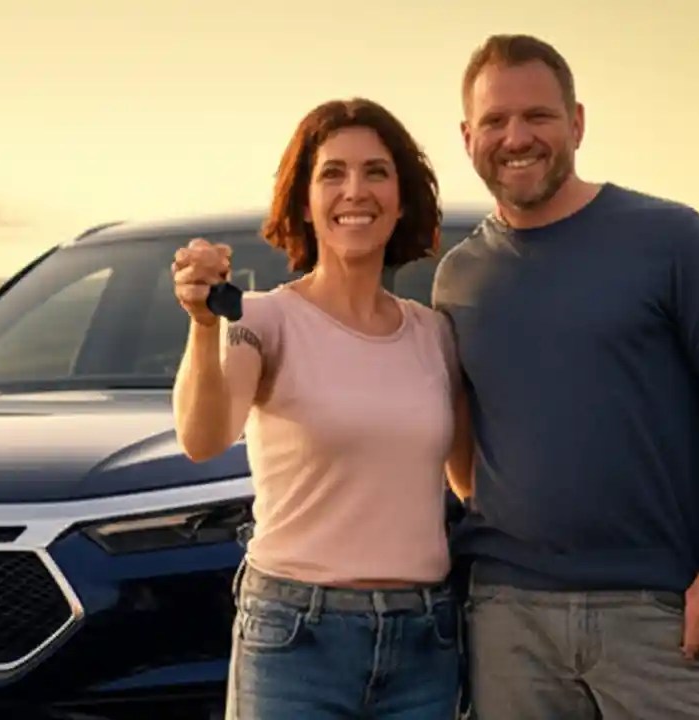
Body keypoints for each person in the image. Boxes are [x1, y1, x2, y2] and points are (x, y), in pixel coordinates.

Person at [431, 33, 699, 719]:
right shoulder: (460, 277)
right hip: (508, 620)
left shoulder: (668, 239)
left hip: (659, 616)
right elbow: (464, 438)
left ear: (577, 122)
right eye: (496, 121)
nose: (517, 137)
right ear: (468, 134)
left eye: (538, 116)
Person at [171, 97, 474, 719]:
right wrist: (204, 325)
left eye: (376, 172)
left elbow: (472, 484)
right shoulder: (260, 319)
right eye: (332, 173)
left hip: (426, 641)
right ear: (304, 201)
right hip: (295, 640)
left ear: (401, 196)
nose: (354, 191)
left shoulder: (436, 336)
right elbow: (203, 437)